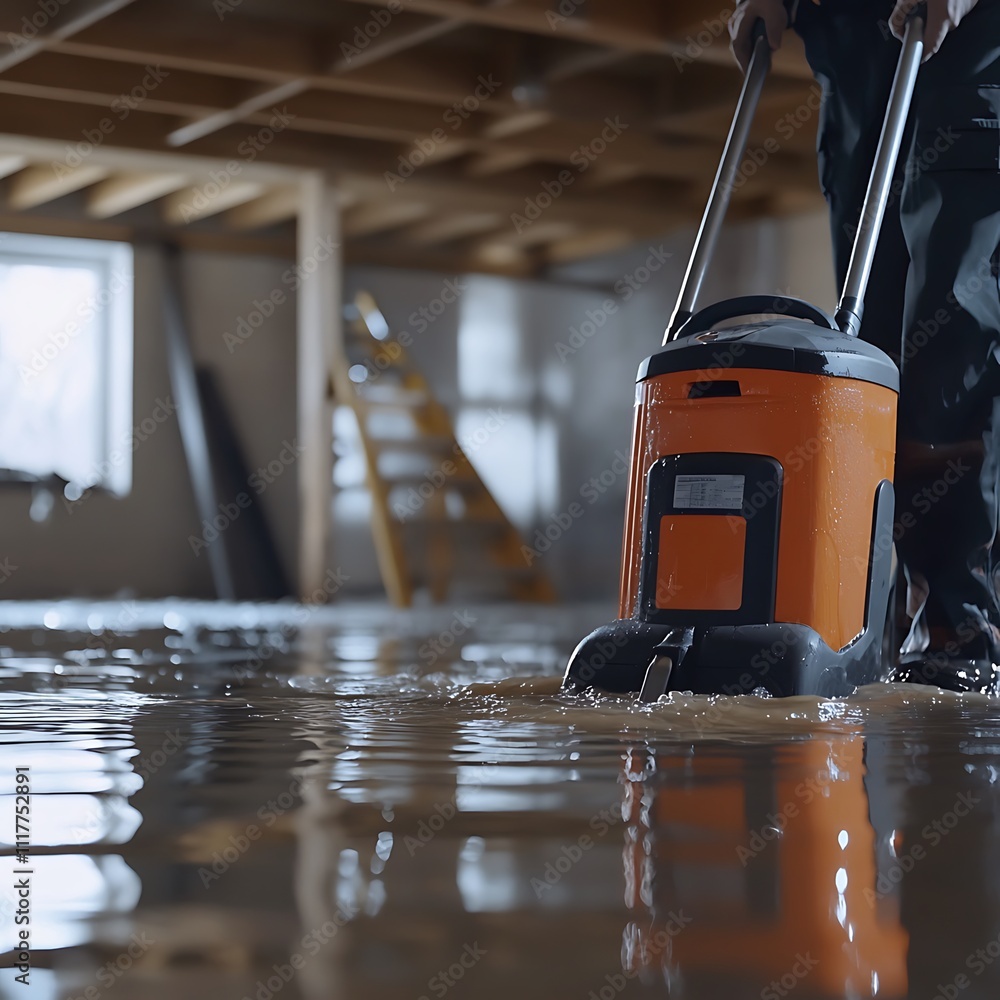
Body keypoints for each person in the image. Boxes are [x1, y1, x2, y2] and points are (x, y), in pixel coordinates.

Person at [729, 0, 1000, 693]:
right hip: (848, 31)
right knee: (863, 359)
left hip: (969, 37)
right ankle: (865, 623)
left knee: (949, 341)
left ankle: (961, 625)